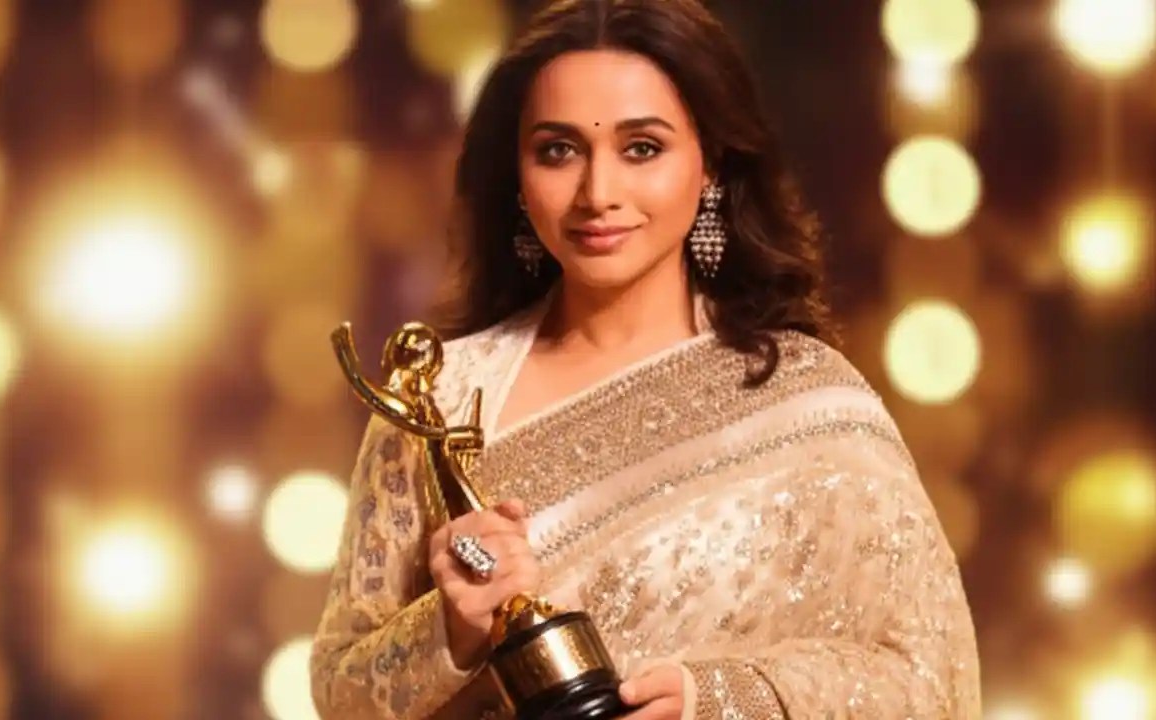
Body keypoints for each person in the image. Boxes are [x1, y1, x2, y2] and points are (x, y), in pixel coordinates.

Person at [310, 0, 981, 717]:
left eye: (642, 149)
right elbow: (339, 690)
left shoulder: (811, 403)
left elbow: (927, 679)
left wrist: (724, 698)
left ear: (712, 165)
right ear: (517, 176)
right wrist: (452, 624)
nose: (599, 194)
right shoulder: (439, 399)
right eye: (558, 150)